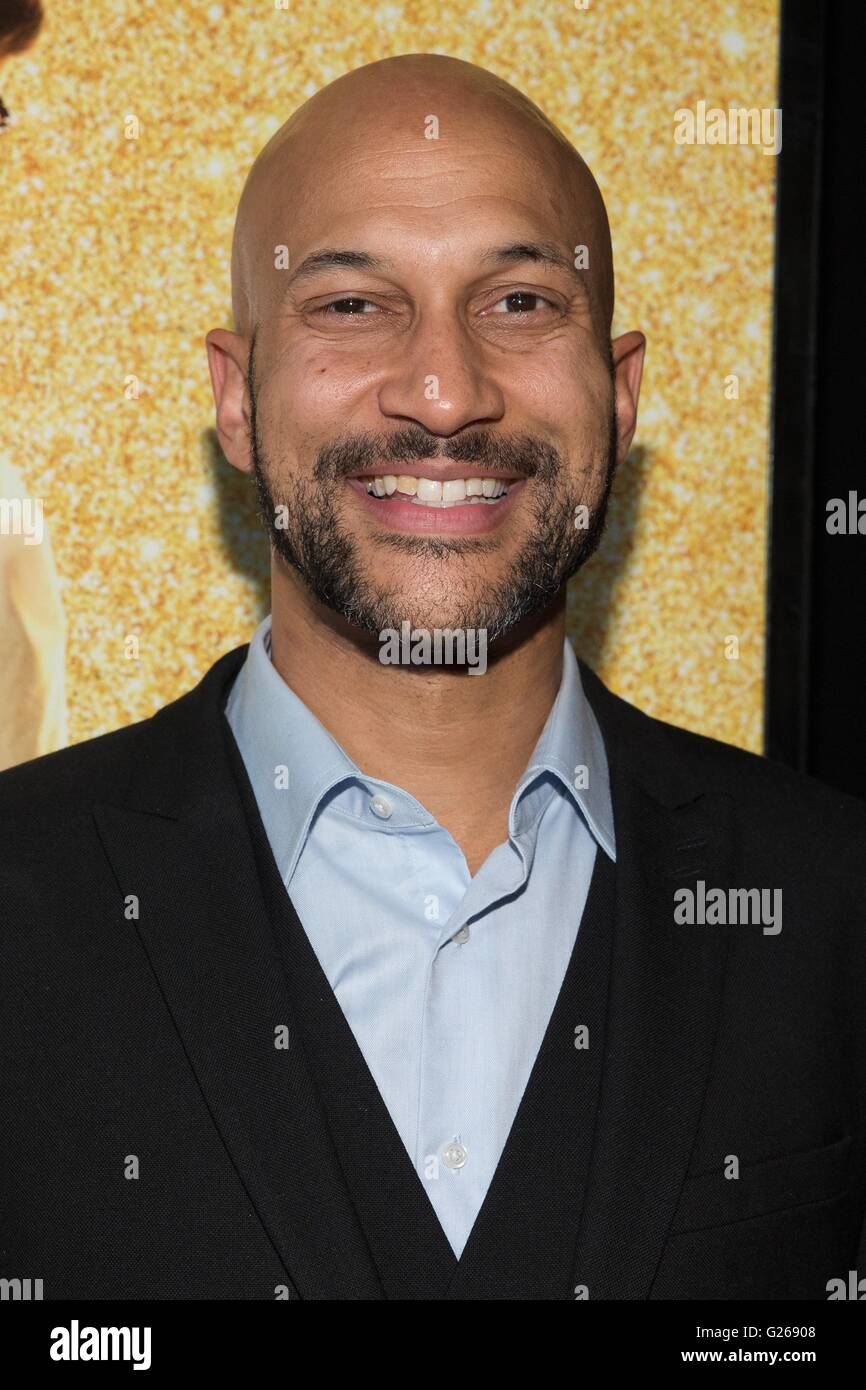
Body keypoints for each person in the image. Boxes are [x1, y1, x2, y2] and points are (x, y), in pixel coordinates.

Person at [1, 54, 864, 1302]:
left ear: (618, 397)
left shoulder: (829, 903)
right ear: (235, 400)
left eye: (518, 302)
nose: (445, 392)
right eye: (351, 305)